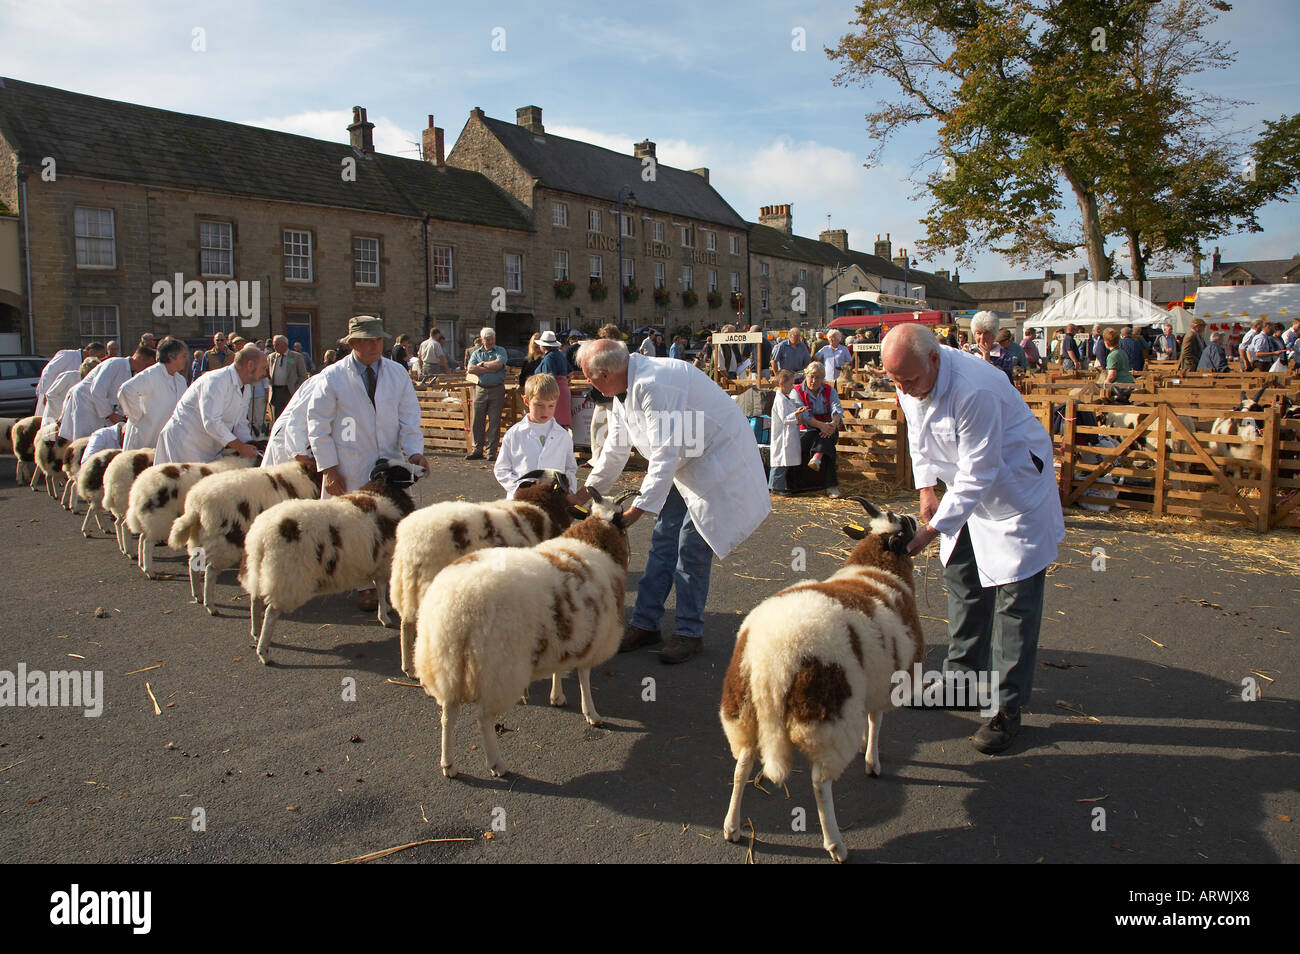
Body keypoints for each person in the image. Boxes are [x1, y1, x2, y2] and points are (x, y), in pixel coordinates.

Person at [883, 323, 1064, 754]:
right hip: (963, 496)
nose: (903, 389)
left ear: (934, 359)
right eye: (895, 380)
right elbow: (919, 436)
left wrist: (929, 530)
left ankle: (1006, 708)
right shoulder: (911, 380)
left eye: (908, 379)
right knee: (962, 581)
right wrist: (926, 488)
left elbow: (978, 472)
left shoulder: (976, 388)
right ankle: (962, 680)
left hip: (1012, 493)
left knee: (1014, 600)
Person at [573, 338, 770, 664]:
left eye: (589, 377)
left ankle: (689, 632)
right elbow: (616, 447)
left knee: (690, 547)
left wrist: (637, 509)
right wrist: (586, 492)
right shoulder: (622, 388)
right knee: (663, 540)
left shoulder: (655, 385)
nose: (587, 384)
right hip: (687, 460)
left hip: (716, 463)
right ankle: (645, 624)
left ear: (606, 374)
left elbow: (664, 455)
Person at [306, 315, 427, 610]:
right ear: (354, 343)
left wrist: (414, 452)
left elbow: (410, 417)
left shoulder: (397, 373)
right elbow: (317, 423)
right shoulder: (332, 377)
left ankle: (390, 580)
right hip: (350, 462)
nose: (375, 345)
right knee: (354, 527)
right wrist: (329, 468)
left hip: (389, 463)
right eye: (368, 340)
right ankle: (362, 585)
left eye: (378, 339)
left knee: (391, 522)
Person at [155, 345, 265, 464]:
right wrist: (240, 447)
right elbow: (211, 422)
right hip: (185, 443)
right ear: (250, 365)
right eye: (263, 368)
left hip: (207, 448)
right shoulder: (217, 381)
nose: (265, 373)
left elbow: (240, 423)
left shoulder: (246, 387)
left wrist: (250, 446)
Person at [493, 373, 577, 499]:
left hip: (552, 499)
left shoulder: (563, 435)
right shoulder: (514, 434)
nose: (545, 411)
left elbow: (570, 468)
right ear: (526, 401)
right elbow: (501, 469)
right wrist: (518, 488)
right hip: (521, 500)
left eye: (551, 406)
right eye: (539, 405)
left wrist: (568, 488)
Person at [64, 344, 157, 440]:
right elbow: (97, 390)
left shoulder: (134, 374)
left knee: (101, 438)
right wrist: (110, 415)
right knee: (85, 438)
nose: (146, 369)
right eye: (147, 365)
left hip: (103, 406)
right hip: (86, 400)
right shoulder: (115, 363)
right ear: (139, 357)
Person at [117, 336, 189, 451]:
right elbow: (126, 390)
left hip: (164, 437)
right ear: (171, 357)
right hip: (144, 436)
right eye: (183, 356)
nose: (186, 359)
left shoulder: (180, 380)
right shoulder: (152, 374)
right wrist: (136, 416)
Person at [791, 361, 844, 496]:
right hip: (805, 432)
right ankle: (831, 486)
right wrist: (823, 427)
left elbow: (836, 407)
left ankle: (817, 457)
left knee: (826, 438)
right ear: (806, 376)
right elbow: (805, 417)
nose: (814, 380)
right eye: (811, 376)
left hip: (828, 429)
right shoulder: (796, 391)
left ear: (823, 379)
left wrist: (833, 423)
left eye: (818, 377)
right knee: (826, 442)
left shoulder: (829, 390)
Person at [261, 374, 327, 468]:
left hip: (301, 442)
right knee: (274, 479)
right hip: (287, 440)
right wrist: (303, 459)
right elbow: (296, 423)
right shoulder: (325, 382)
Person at [465, 328, 509, 460]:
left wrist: (482, 366)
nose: (489, 341)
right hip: (480, 389)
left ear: (494, 339)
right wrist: (489, 368)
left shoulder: (500, 351)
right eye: (487, 339)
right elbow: (470, 368)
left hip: (496, 389)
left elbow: (499, 365)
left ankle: (491, 452)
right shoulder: (476, 352)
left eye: (491, 338)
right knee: (477, 421)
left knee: (494, 421)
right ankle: (477, 449)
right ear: (482, 340)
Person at [35, 342, 106, 417]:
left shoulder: (86, 364)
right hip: (53, 397)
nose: (100, 359)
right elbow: (48, 373)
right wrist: (46, 393)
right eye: (99, 355)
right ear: (91, 352)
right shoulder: (67, 355)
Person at [587, 324, 624, 464]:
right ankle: (597, 459)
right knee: (597, 428)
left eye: (604, 337)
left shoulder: (618, 353)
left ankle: (608, 461)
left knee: (612, 429)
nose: (601, 339)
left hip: (612, 396)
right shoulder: (603, 352)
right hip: (602, 397)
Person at [767, 369, 800, 496]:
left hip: (786, 435)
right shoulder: (780, 400)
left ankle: (777, 486)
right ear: (782, 383)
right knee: (779, 462)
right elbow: (785, 418)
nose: (792, 387)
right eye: (790, 384)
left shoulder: (786, 398)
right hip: (782, 436)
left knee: (783, 462)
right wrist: (796, 414)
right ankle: (775, 486)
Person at [534, 330, 573, 432]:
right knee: (560, 426)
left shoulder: (549, 358)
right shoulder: (560, 354)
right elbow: (570, 372)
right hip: (563, 390)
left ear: (544, 346)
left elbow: (547, 379)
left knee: (551, 426)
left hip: (552, 393)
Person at [267, 334, 308, 421]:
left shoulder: (296, 357)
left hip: (289, 391)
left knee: (290, 416)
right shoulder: (271, 357)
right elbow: (267, 373)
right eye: (274, 344)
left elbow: (303, 376)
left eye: (276, 344)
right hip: (276, 391)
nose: (274, 347)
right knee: (277, 418)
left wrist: (296, 388)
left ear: (284, 345)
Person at [970, 311, 1016, 384]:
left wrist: (987, 361)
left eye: (986, 333)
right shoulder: (970, 354)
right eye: (979, 333)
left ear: (994, 335)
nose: (982, 337)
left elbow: (1006, 382)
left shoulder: (1004, 356)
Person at [1102, 328, 1135, 395]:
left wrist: (1106, 383)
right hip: (1130, 382)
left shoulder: (1112, 355)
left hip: (1120, 386)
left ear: (1107, 343)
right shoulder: (1122, 352)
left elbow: (1112, 374)